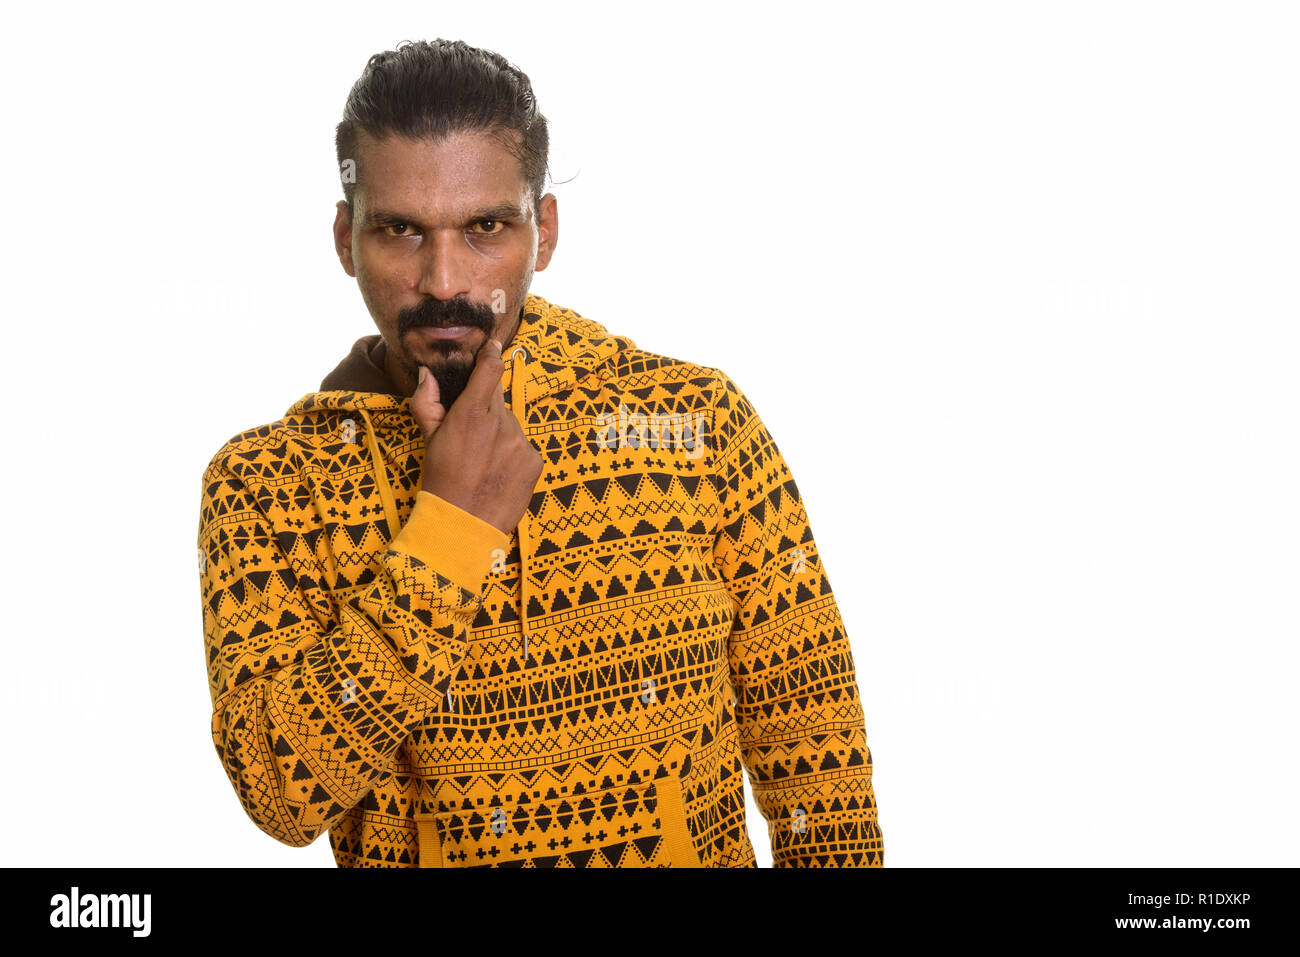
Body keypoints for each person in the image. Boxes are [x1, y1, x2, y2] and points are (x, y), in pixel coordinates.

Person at [197, 38, 884, 868]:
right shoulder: (266, 484)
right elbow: (278, 793)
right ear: (346, 239)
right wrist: (446, 539)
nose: (444, 277)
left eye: (485, 226)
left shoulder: (694, 422)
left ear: (544, 230)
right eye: (400, 230)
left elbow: (816, 758)